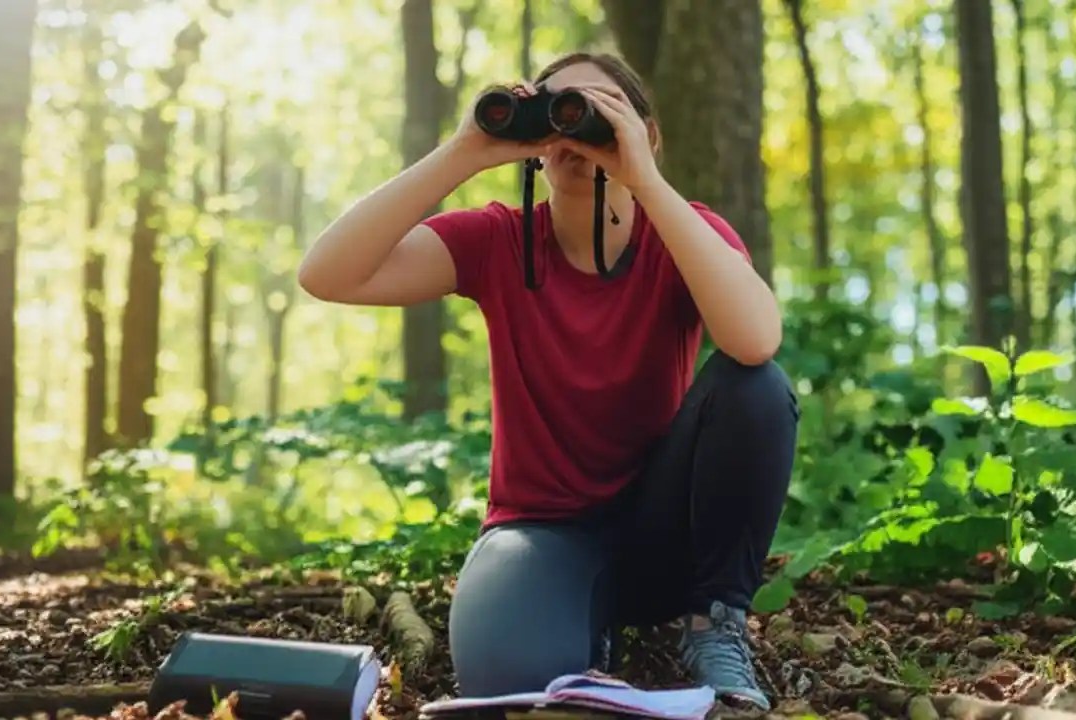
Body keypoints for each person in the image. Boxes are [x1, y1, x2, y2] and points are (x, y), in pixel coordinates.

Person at [298, 52, 798, 711]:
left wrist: (646, 182)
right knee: (509, 678)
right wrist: (466, 151)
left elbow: (756, 340)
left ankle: (712, 623)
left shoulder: (682, 234)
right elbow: (327, 274)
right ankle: (583, 634)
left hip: (663, 526)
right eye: (558, 112)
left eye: (598, 113)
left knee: (755, 389)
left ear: (646, 135)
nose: (575, 131)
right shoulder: (499, 241)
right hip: (544, 532)